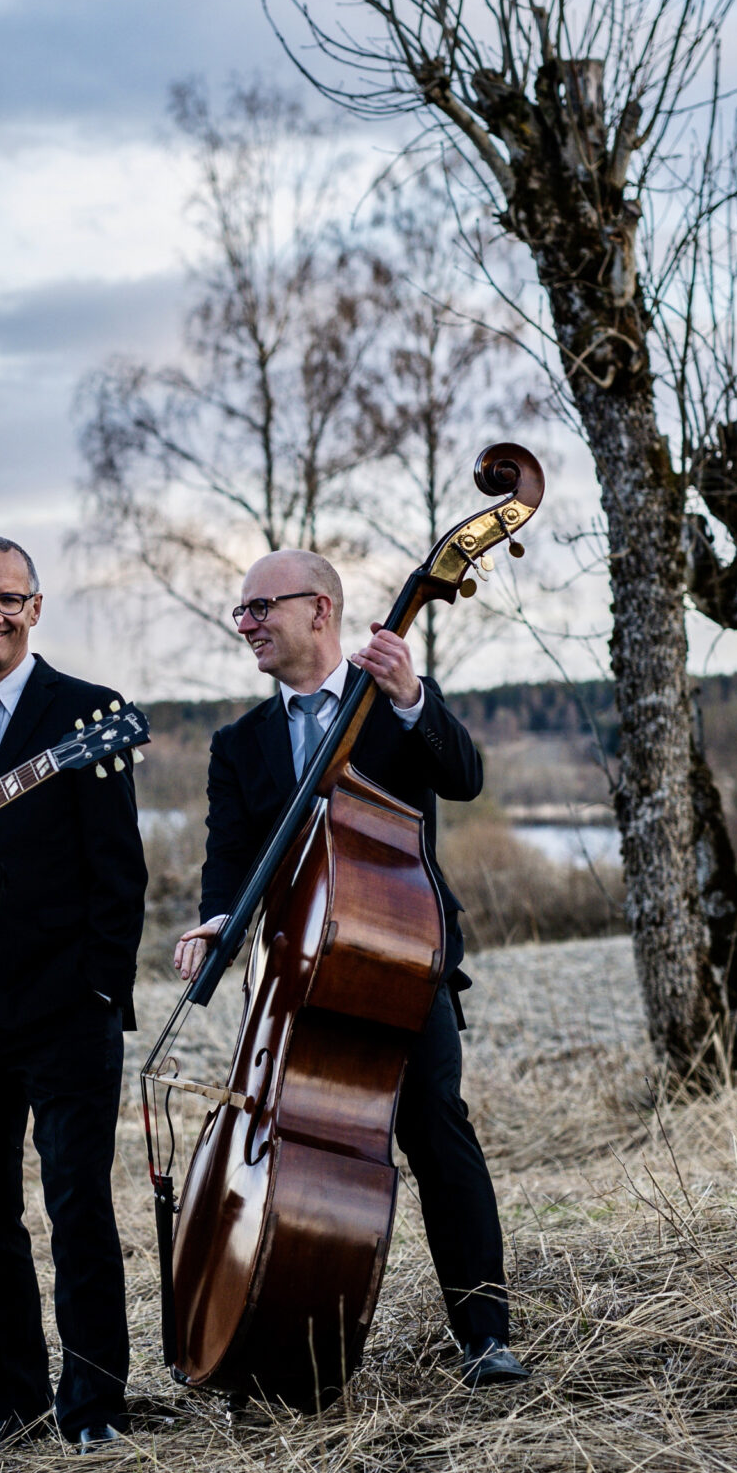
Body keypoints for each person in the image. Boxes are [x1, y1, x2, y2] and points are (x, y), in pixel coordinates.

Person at [172, 550, 529, 1388]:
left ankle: (485, 1336)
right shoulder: (239, 743)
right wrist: (218, 915)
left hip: (401, 957)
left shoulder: (389, 702)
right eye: (243, 610)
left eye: (262, 606)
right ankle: (290, 1327)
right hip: (296, 971)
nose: (248, 623)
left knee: (437, 1129)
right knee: (297, 1146)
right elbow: (229, 857)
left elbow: (465, 778)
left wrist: (413, 697)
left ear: (321, 609)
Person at [0, 537, 147, 1458]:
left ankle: (95, 1405)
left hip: (62, 1006)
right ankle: (16, 1405)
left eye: (9, 599)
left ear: (37, 608)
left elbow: (118, 872)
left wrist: (99, 989)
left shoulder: (87, 714)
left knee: (78, 1201)